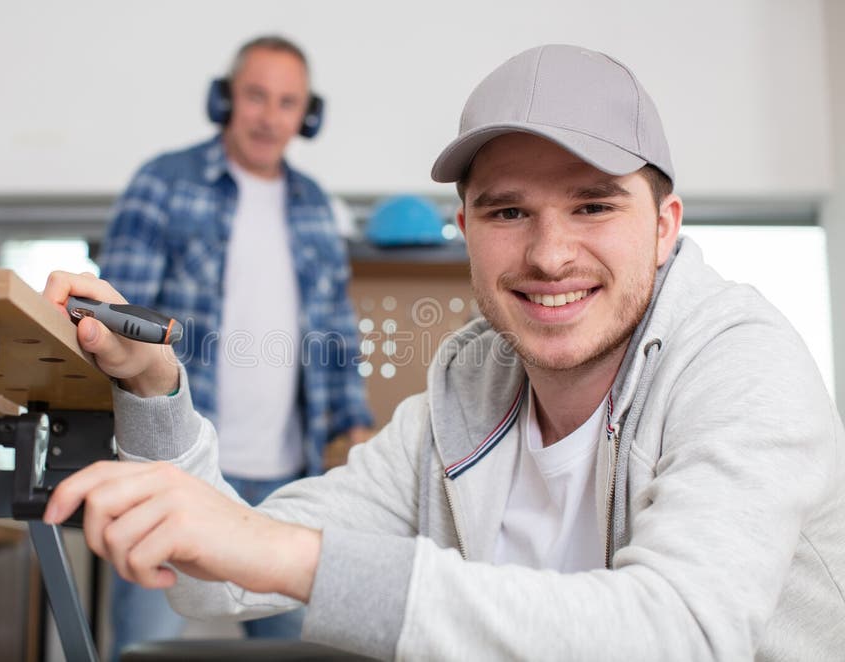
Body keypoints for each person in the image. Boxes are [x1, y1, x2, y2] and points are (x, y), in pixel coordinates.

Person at [45, 44, 845, 660]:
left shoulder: (745, 370)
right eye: (507, 214)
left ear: (666, 224)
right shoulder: (457, 410)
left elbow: (679, 639)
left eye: (593, 205)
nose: (550, 254)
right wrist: (154, 387)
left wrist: (290, 554)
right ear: (464, 233)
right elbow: (211, 575)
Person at [95, 34, 373, 654]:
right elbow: (118, 320)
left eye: (287, 102)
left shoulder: (315, 208)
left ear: (308, 115)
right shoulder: (162, 182)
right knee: (142, 646)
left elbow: (334, 328)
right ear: (225, 99)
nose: (270, 117)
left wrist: (355, 429)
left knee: (301, 650)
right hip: (172, 468)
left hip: (287, 481)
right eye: (256, 96)